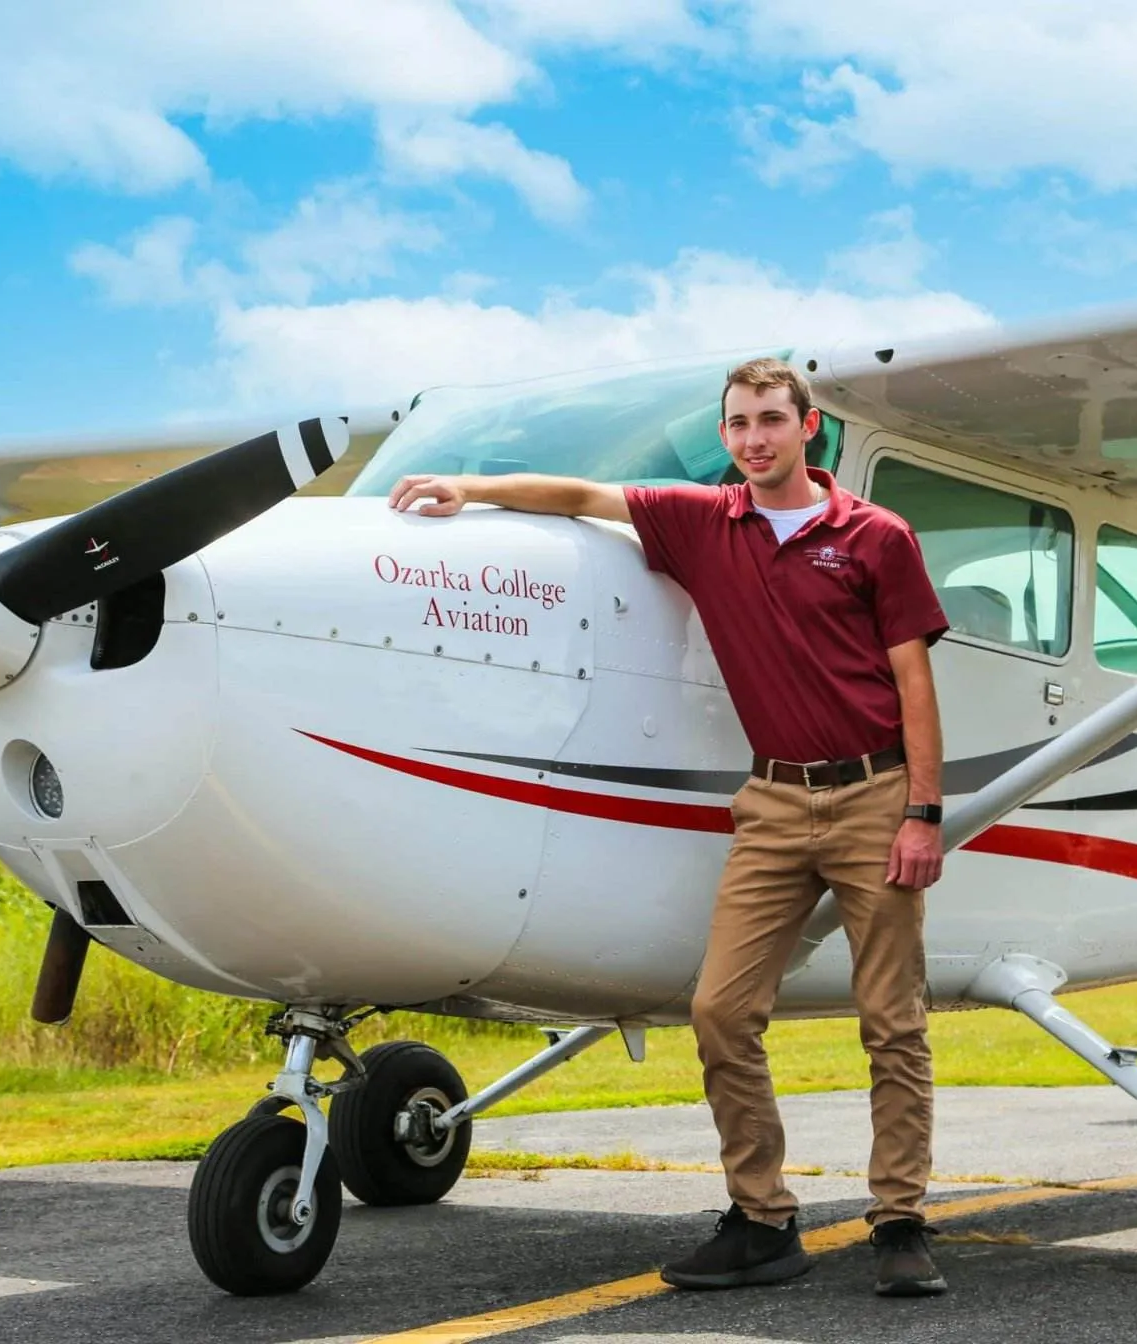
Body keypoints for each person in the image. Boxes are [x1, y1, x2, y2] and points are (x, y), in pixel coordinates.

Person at [388, 356, 950, 1297]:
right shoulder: (702, 522)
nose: (753, 439)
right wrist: (468, 488)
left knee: (892, 1022)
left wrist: (923, 813)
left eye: (771, 419)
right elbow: (578, 494)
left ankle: (900, 1221)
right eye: (737, 424)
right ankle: (764, 1220)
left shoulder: (876, 535)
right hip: (770, 802)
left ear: (807, 428)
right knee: (720, 1011)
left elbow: (914, 683)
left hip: (873, 797)